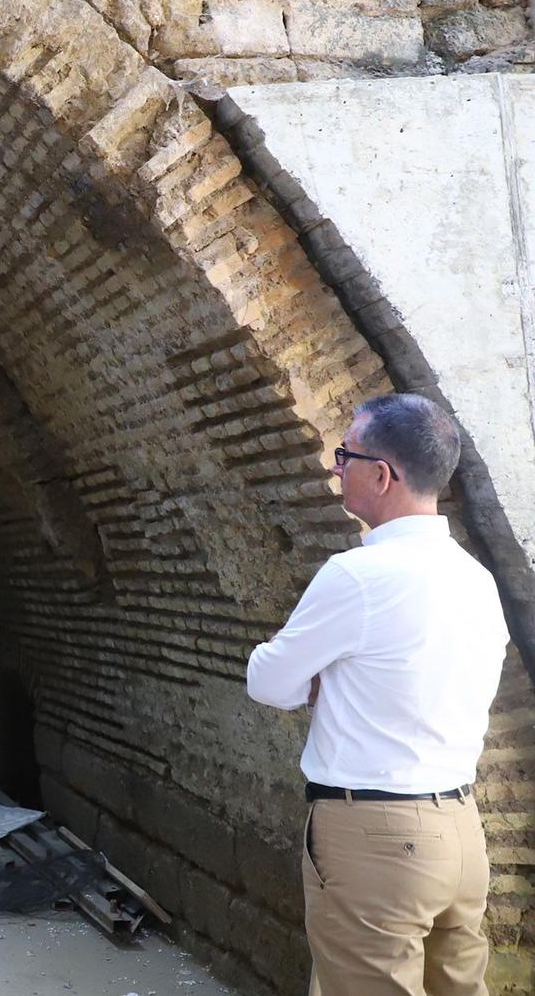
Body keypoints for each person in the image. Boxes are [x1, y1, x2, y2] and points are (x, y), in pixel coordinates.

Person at [247, 394, 509, 996]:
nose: (336, 469)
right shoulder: (477, 580)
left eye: (345, 456)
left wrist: (321, 679)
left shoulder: (358, 577)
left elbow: (267, 680)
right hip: (461, 833)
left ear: (381, 475)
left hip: (376, 834)